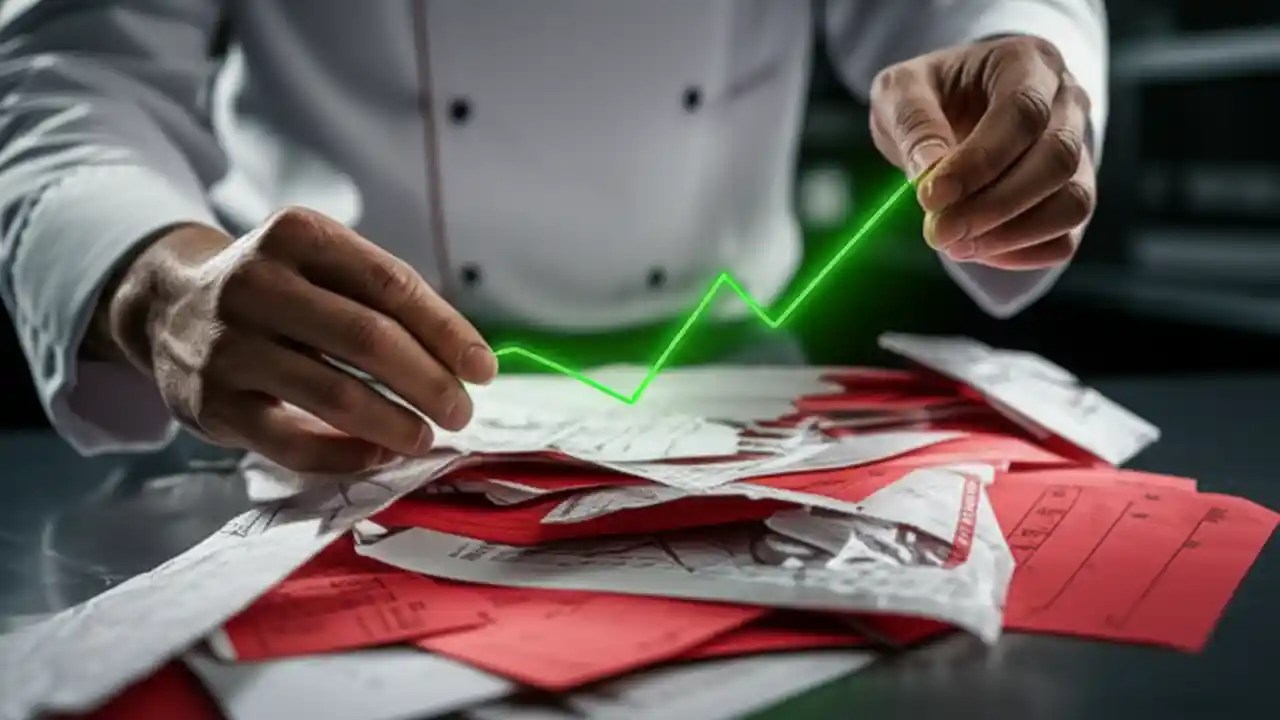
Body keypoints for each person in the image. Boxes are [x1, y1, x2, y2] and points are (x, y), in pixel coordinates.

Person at [0, 1, 1106, 473]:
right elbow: (67, 78)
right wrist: (154, 285)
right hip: (326, 399)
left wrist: (1015, 55)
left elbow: (963, 7)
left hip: (741, 390)